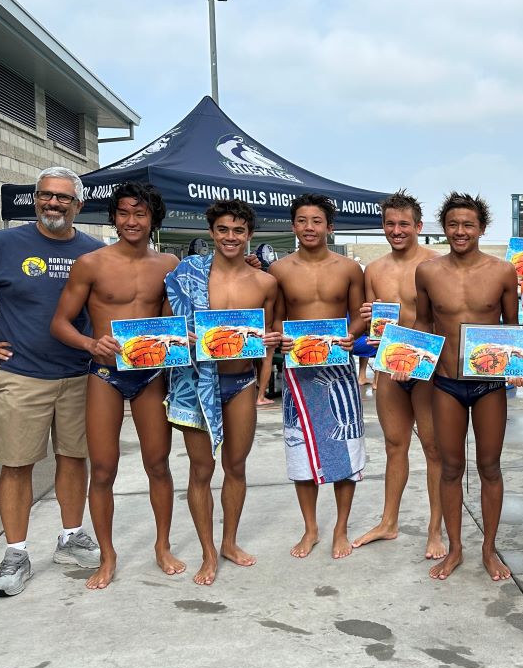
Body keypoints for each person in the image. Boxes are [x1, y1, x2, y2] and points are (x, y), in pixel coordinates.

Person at [0, 167, 103, 596]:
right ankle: (15, 553)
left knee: (73, 458)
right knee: (16, 464)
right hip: (22, 375)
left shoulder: (93, 251)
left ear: (78, 205)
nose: (53, 203)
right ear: (35, 199)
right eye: (46, 195)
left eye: (63, 197)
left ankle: (71, 537)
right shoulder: (2, 245)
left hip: (79, 375)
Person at [49, 182, 183, 589]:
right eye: (124, 213)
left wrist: (179, 338)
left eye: (140, 213)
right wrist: (91, 343)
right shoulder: (91, 263)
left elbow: (169, 322)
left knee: (157, 464)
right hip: (105, 375)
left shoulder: (169, 264)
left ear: (153, 219)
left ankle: (162, 546)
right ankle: (107, 557)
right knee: (104, 469)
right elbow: (59, 323)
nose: (131, 221)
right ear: (113, 217)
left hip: (150, 374)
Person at [165, 200, 280, 585]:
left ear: (250, 234)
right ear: (212, 232)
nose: (231, 237)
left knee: (236, 466)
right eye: (223, 230)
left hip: (240, 382)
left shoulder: (265, 283)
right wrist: (181, 335)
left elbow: (270, 335)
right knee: (201, 469)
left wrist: (269, 345)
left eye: (238, 230)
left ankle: (229, 542)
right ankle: (208, 552)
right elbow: (166, 323)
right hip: (196, 382)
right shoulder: (188, 273)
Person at [410, 192, 518, 580]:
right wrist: (406, 355)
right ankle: (455, 548)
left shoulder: (503, 271)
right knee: (450, 467)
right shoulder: (427, 272)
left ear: (481, 228)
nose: (460, 231)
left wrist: (518, 363)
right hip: (446, 383)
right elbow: (424, 322)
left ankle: (489, 549)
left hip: (488, 383)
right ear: (444, 228)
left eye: (468, 225)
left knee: (490, 466)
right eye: (453, 224)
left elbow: (511, 328)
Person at [270, 194, 367, 560]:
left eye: (316, 221)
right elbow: (276, 319)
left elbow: (359, 315)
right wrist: (282, 337)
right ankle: (310, 528)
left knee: (344, 445)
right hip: (298, 369)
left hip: (338, 366)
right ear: (293, 225)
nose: (309, 228)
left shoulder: (349, 269)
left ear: (329, 226)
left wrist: (352, 335)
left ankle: (340, 528)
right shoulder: (279, 270)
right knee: (299, 448)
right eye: (302, 220)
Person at [352, 191, 445, 559]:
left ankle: (435, 530)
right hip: (390, 366)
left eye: (404, 224)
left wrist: (419, 359)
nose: (396, 230)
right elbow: (370, 327)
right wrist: (364, 318)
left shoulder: (436, 264)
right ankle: (388, 522)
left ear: (418, 226)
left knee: (434, 449)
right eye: (390, 224)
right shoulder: (374, 270)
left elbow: (445, 318)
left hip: (428, 367)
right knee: (395, 446)